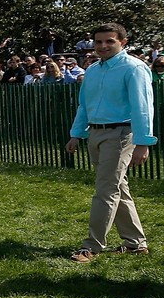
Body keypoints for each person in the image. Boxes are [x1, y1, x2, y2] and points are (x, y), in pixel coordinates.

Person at [65, 23, 156, 263]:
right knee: (117, 188)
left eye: (109, 41)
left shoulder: (134, 68)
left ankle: (92, 246)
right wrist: (77, 133)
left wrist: (143, 142)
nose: (103, 46)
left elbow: (143, 107)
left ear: (123, 42)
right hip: (96, 133)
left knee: (105, 190)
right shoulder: (93, 69)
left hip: (121, 134)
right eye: (98, 42)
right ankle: (136, 243)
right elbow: (84, 105)